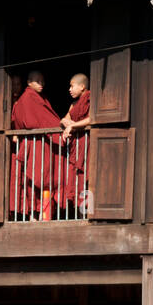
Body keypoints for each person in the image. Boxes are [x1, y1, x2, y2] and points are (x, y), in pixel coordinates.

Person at [9, 71, 62, 220]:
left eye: (43, 81)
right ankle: (33, 213)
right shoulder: (28, 98)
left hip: (36, 144)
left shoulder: (38, 98)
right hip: (32, 145)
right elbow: (36, 121)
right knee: (32, 180)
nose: (41, 84)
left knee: (41, 178)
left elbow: (46, 117)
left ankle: (42, 214)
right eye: (37, 81)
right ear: (29, 82)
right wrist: (61, 128)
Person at [60, 74, 91, 212]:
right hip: (76, 146)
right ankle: (79, 211)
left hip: (87, 143)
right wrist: (67, 123)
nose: (69, 89)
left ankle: (88, 211)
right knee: (76, 177)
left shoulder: (91, 99)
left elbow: (91, 119)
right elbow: (63, 119)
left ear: (82, 86)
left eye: (72, 86)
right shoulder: (74, 104)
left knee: (86, 176)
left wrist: (73, 126)